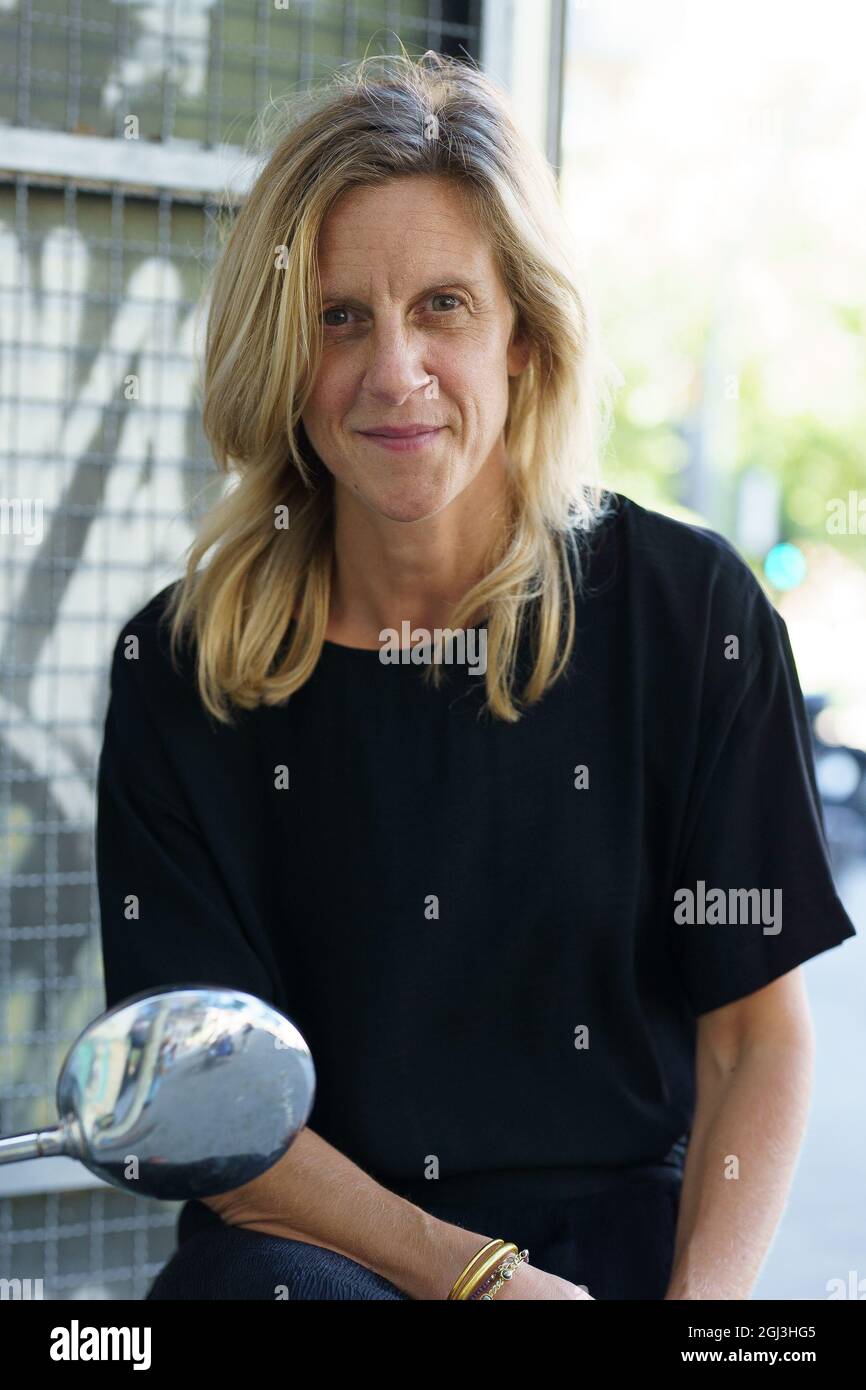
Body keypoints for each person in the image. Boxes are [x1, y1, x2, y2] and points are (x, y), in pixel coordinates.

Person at [95, 51, 857, 1301]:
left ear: (522, 335)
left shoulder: (686, 613)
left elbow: (752, 1039)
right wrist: (484, 1284)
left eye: (441, 305)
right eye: (340, 316)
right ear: (283, 351)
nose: (394, 373)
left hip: (629, 1252)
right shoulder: (185, 671)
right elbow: (215, 1126)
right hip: (312, 1260)